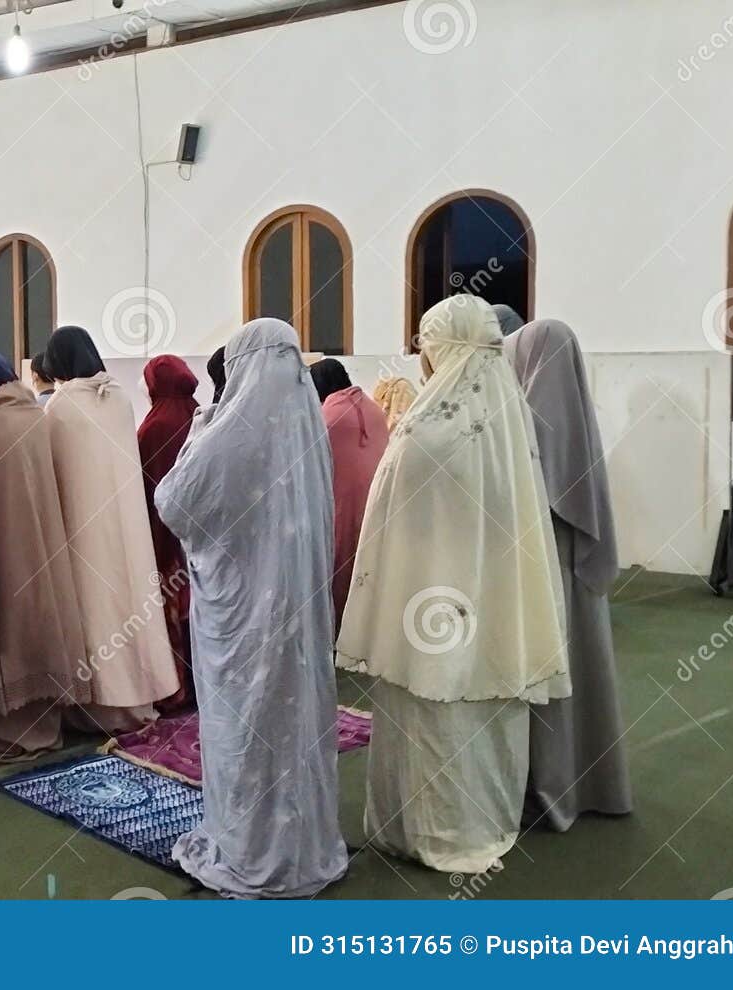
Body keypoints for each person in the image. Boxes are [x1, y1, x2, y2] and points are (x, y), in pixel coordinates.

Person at [336, 295, 568, 874]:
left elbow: (394, 519)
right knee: (483, 712)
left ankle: (427, 831)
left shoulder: (427, 430)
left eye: (428, 344)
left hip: (425, 606)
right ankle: (481, 823)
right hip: (489, 601)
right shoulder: (506, 419)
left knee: (432, 715)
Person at [158, 319, 348, 898]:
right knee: (293, 722)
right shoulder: (307, 426)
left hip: (244, 615)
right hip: (296, 608)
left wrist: (202, 429)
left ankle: (249, 852)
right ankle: (301, 847)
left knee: (248, 722)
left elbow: (174, 501)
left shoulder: (230, 432)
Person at [506, 319, 633, 830]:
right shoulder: (575, 417)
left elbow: (533, 489)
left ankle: (551, 785)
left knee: (553, 665)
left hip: (551, 568)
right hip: (571, 572)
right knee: (584, 670)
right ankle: (593, 785)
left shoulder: (532, 423)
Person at [43, 326, 177, 734]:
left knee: (96, 609)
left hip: (83, 526)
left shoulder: (61, 406)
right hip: (127, 522)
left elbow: (55, 470)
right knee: (131, 602)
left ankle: (99, 706)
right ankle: (138, 697)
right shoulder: (118, 398)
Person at [0, 351, 89, 761]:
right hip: (44, 543)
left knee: (10, 629)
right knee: (44, 622)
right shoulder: (36, 416)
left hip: (1, 546)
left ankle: (9, 733)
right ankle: (47, 726)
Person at [136, 354, 199, 710]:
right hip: (200, 537)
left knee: (171, 611)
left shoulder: (154, 426)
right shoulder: (200, 415)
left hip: (164, 537)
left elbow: (146, 486)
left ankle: (175, 688)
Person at [309, 359, 389, 632]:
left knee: (340, 569)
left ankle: (340, 631)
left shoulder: (327, 416)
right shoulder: (374, 409)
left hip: (341, 507)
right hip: (377, 504)